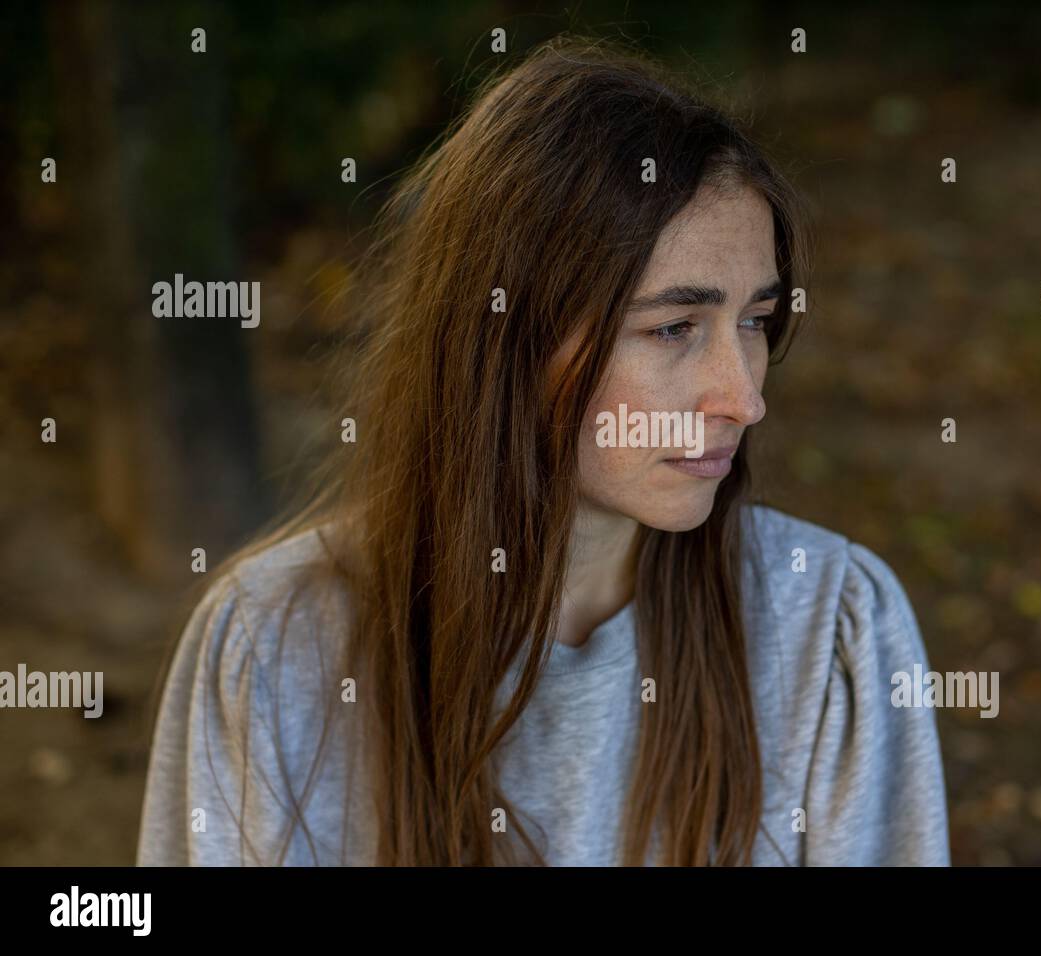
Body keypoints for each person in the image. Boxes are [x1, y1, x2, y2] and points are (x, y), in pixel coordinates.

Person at [136, 36, 950, 867]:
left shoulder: (827, 630)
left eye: (754, 320)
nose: (746, 397)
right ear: (506, 341)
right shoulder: (274, 650)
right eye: (673, 328)